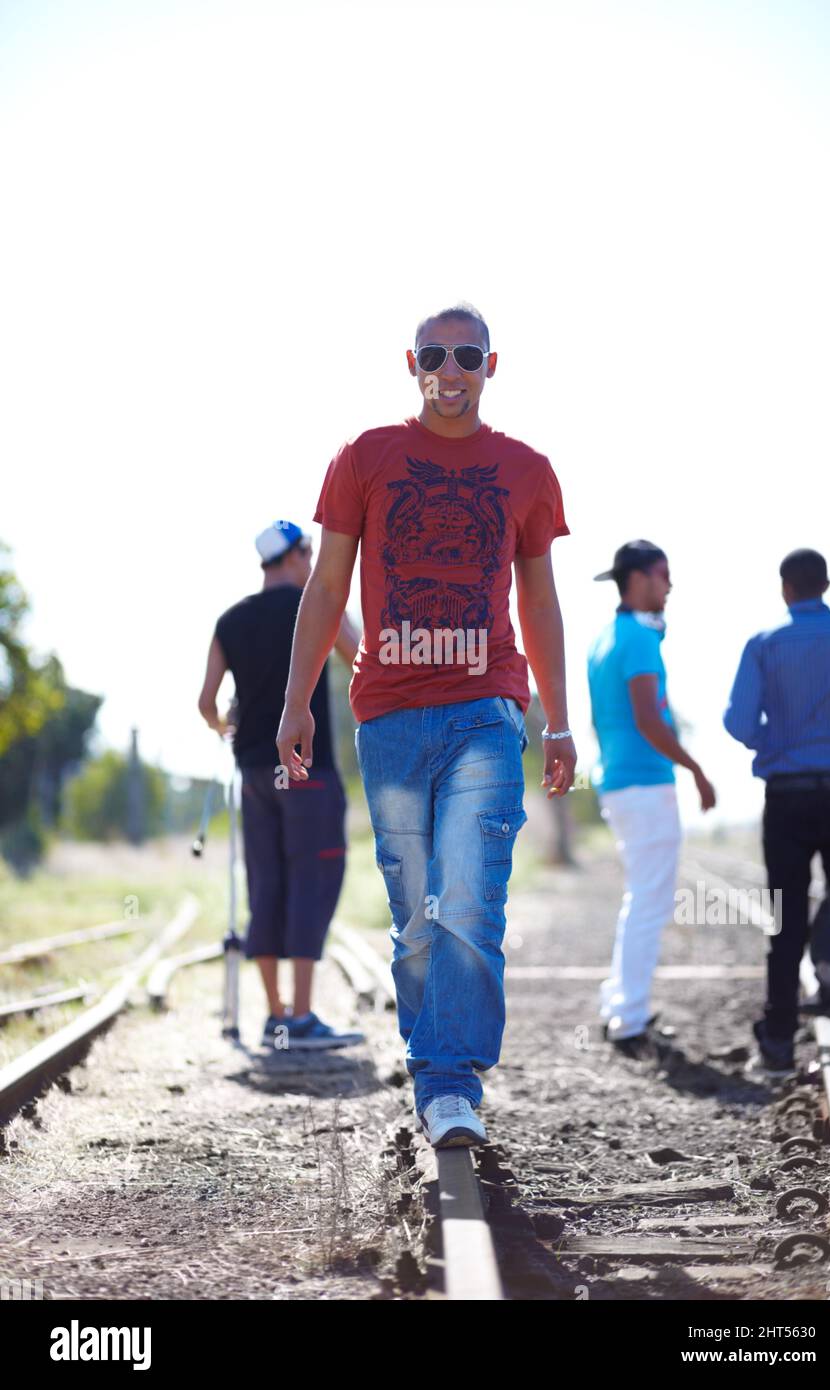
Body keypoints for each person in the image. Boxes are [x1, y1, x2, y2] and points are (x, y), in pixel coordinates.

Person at [275, 301, 576, 1147]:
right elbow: (326, 588)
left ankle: (451, 1081)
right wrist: (298, 702)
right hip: (389, 716)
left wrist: (556, 720)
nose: (452, 369)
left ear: (491, 365)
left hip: (488, 706)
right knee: (415, 911)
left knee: (469, 897)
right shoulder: (364, 457)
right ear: (412, 362)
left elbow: (541, 599)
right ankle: (436, 1063)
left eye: (468, 355)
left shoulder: (526, 470)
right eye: (436, 355)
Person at [198, 519, 363, 1050]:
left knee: (266, 882)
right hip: (305, 770)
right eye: (309, 551)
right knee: (312, 881)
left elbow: (206, 703)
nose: (314, 559)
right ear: (293, 556)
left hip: (254, 773)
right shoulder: (317, 603)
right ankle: (305, 1015)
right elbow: (363, 661)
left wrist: (227, 726)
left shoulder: (231, 620)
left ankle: (275, 1018)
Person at [724, 548, 830, 1078]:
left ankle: (779, 1045)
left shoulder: (764, 644)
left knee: (785, 922)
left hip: (786, 796)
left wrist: (775, 743)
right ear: (826, 585)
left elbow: (738, 721)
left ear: (785, 589)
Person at [588, 541, 716, 1057]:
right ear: (639, 578)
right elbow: (648, 718)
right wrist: (697, 769)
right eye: (664, 575)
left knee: (639, 899)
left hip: (619, 782)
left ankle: (619, 1003)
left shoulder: (606, 638)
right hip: (644, 783)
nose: (669, 585)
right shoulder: (637, 639)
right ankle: (628, 1018)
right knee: (650, 902)